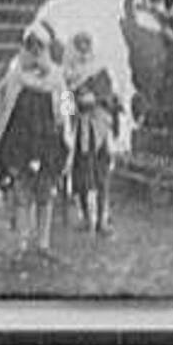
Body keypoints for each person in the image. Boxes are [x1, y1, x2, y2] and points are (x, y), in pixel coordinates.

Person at [0, 21, 73, 258]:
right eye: (31, 46)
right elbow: (4, 103)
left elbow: (66, 106)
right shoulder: (16, 74)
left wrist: (66, 127)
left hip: (47, 141)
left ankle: (43, 243)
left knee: (45, 193)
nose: (35, 51)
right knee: (22, 194)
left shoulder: (57, 76)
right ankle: (21, 243)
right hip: (22, 141)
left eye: (40, 46)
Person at [64, 31, 120, 236]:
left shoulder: (101, 69)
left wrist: (96, 100)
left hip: (99, 127)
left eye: (87, 43)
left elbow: (111, 97)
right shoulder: (69, 72)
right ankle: (86, 217)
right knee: (81, 176)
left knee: (102, 175)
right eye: (79, 44)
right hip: (81, 129)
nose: (83, 48)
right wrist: (74, 107)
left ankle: (102, 220)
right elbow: (66, 103)